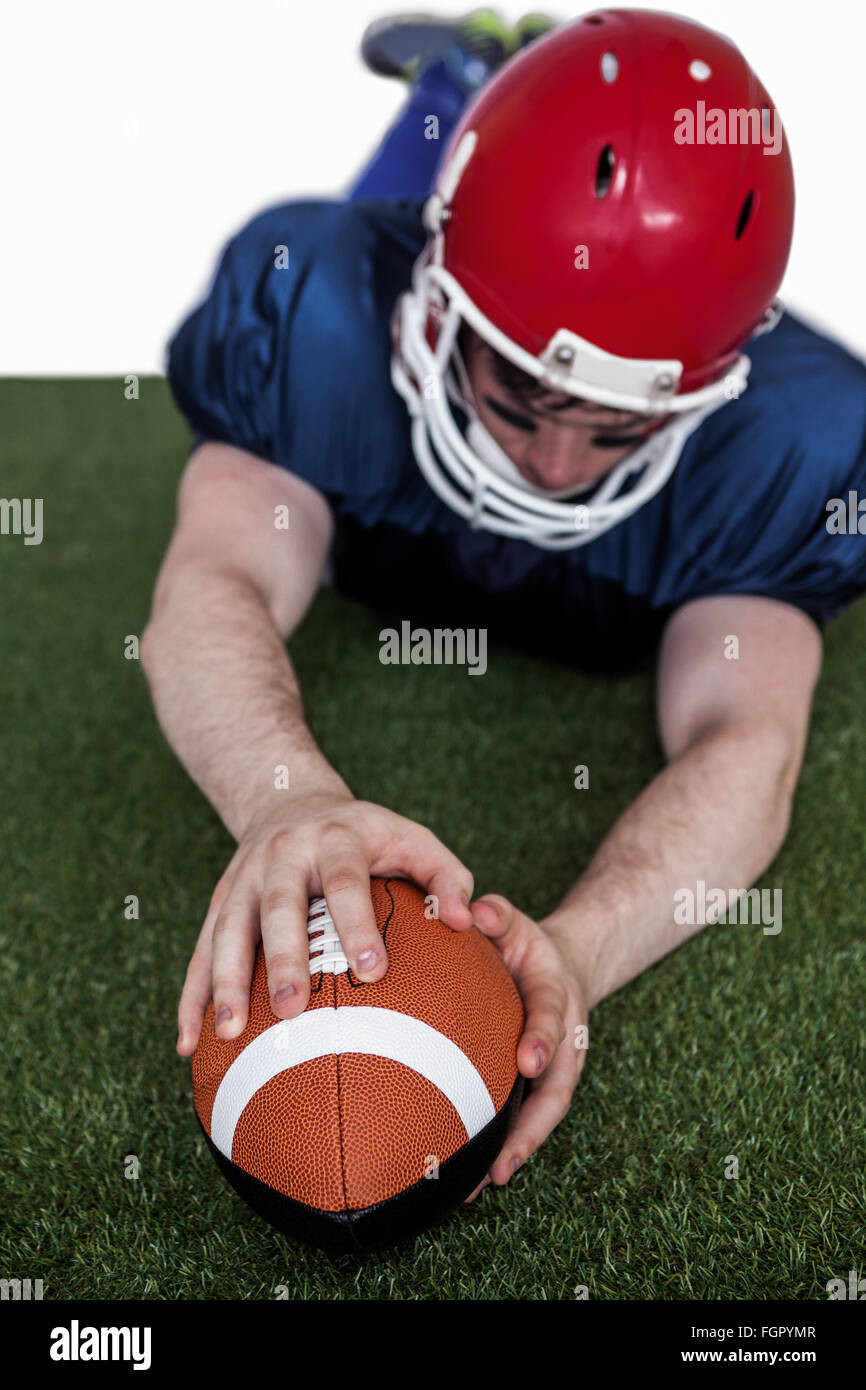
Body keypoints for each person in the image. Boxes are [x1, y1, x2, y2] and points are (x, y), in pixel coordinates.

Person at [145, 9, 866, 1203]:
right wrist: (288, 796)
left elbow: (747, 733)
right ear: (437, 314)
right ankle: (457, 85)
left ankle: (469, 91)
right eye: (519, 393)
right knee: (379, 204)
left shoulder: (787, 438)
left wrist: (578, 947)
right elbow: (209, 579)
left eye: (613, 426)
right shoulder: (325, 314)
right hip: (401, 283)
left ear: (710, 391)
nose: (549, 466)